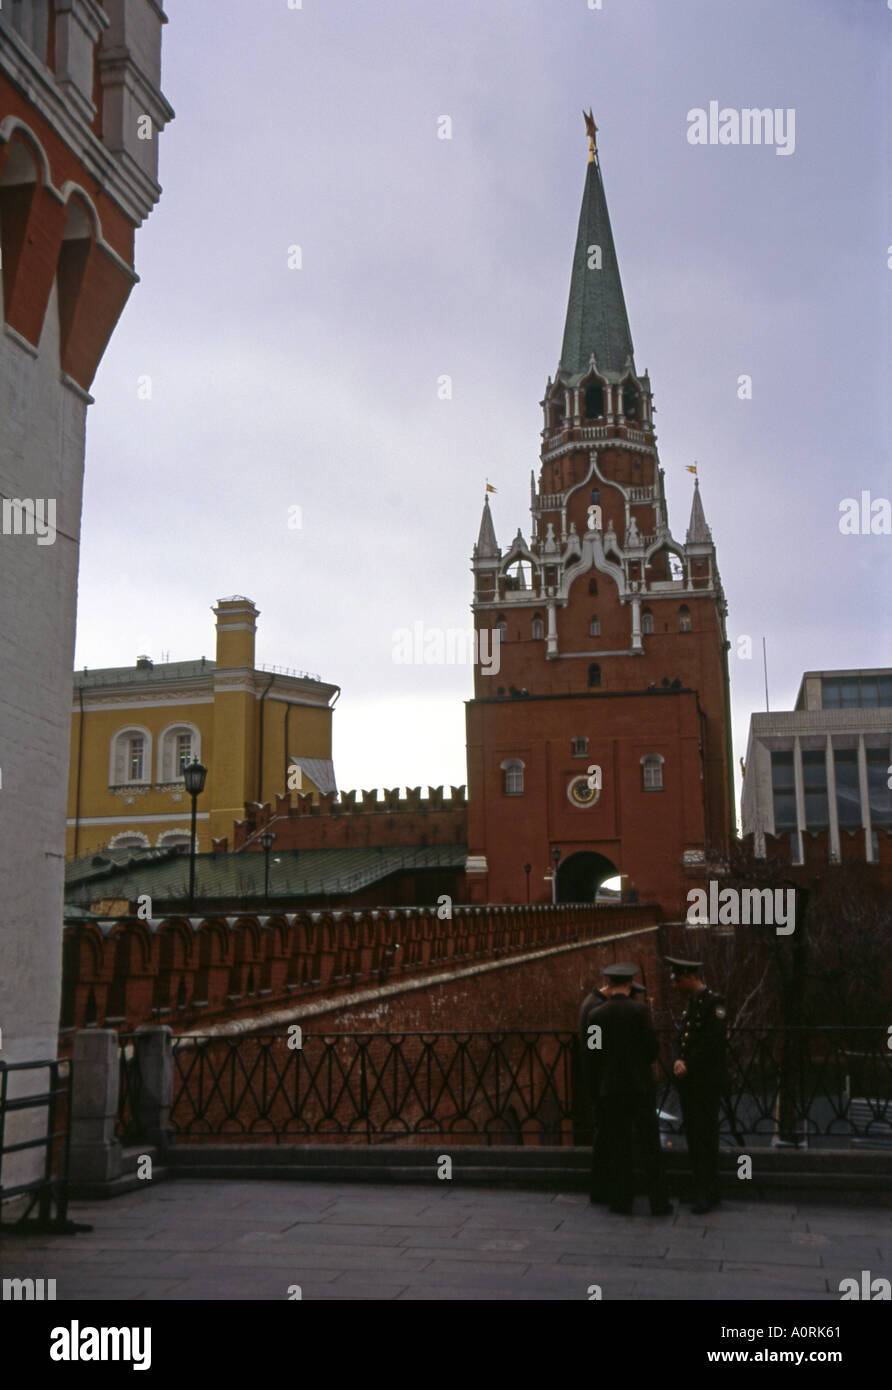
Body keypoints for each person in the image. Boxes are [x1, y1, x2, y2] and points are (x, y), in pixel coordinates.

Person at [583, 962, 672, 1216]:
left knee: (619, 1147)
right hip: (640, 1087)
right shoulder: (640, 1011)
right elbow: (652, 1049)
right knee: (650, 1146)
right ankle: (658, 1202)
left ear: (610, 985)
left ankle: (621, 1201)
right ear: (630, 984)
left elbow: (593, 1053)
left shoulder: (595, 1016)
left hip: (611, 1090)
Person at [664, 955, 728, 1214]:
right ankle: (700, 1187)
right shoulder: (691, 1004)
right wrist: (679, 1059)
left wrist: (687, 1062)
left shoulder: (715, 1003)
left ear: (691, 976)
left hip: (705, 1081)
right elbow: (685, 1038)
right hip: (690, 1082)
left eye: (678, 979)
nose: (674, 985)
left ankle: (708, 1191)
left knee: (705, 1136)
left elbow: (714, 1041)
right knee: (693, 1134)